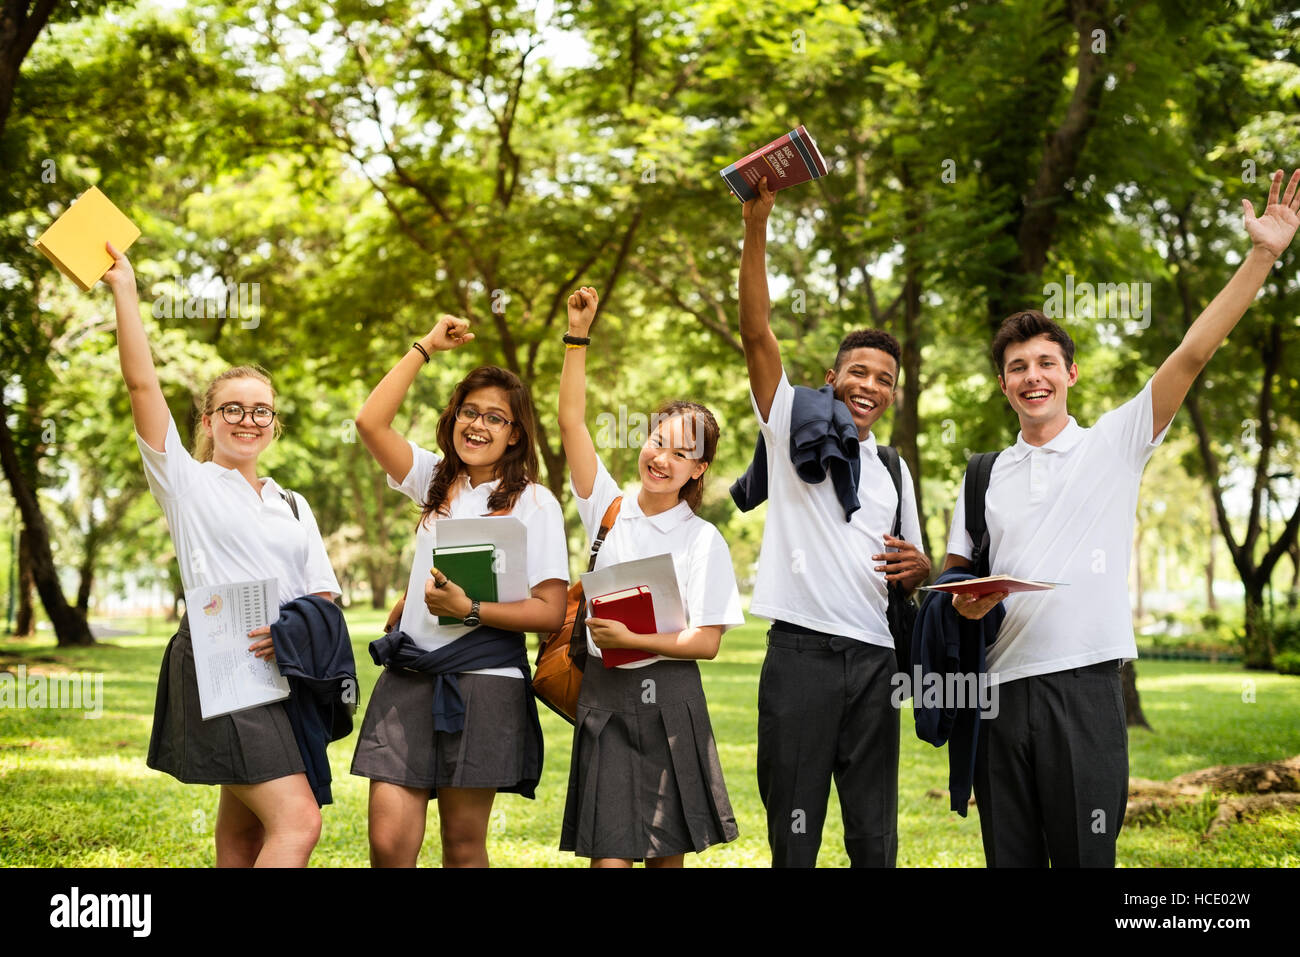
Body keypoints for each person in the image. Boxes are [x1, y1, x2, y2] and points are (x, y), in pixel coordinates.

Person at [943, 169, 1300, 867]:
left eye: (1046, 361)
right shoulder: (983, 473)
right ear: (1003, 384)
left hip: (1086, 687)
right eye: (1017, 366)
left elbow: (1193, 353)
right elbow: (957, 590)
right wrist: (966, 606)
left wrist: (1262, 255)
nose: (1032, 375)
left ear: (1070, 374)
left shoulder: (1115, 441)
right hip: (1000, 696)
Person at [103, 242, 342, 868]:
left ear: (274, 425)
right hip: (220, 659)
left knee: (244, 832)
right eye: (231, 408)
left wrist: (295, 631)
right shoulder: (186, 483)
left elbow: (322, 592)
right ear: (206, 420)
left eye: (260, 410)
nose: (247, 419)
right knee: (298, 823)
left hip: (282, 664)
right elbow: (141, 382)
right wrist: (124, 289)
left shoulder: (293, 502)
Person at [738, 179, 931, 867]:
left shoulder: (894, 470)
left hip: (876, 661)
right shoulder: (793, 427)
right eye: (858, 371)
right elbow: (756, 332)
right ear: (832, 376)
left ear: (892, 391)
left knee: (874, 838)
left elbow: (913, 566)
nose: (869, 385)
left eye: (883, 377)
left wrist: (923, 567)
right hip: (801, 658)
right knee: (795, 836)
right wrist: (756, 224)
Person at [349, 316, 568, 868]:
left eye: (495, 418)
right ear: (453, 418)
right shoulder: (434, 480)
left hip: (486, 686)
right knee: (387, 843)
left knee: (463, 848)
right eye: (469, 412)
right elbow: (370, 422)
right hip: (410, 676)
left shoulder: (536, 504)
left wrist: (469, 610)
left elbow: (550, 612)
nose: (478, 425)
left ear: (515, 433)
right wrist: (424, 347)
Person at [557, 286, 742, 867]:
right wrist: (577, 333)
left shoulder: (703, 540)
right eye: (657, 441)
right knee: (609, 857)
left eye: (681, 452)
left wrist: (633, 640)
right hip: (606, 699)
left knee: (666, 856)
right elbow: (571, 421)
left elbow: (706, 643)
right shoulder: (608, 508)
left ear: (698, 469)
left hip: (672, 703)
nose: (661, 458)